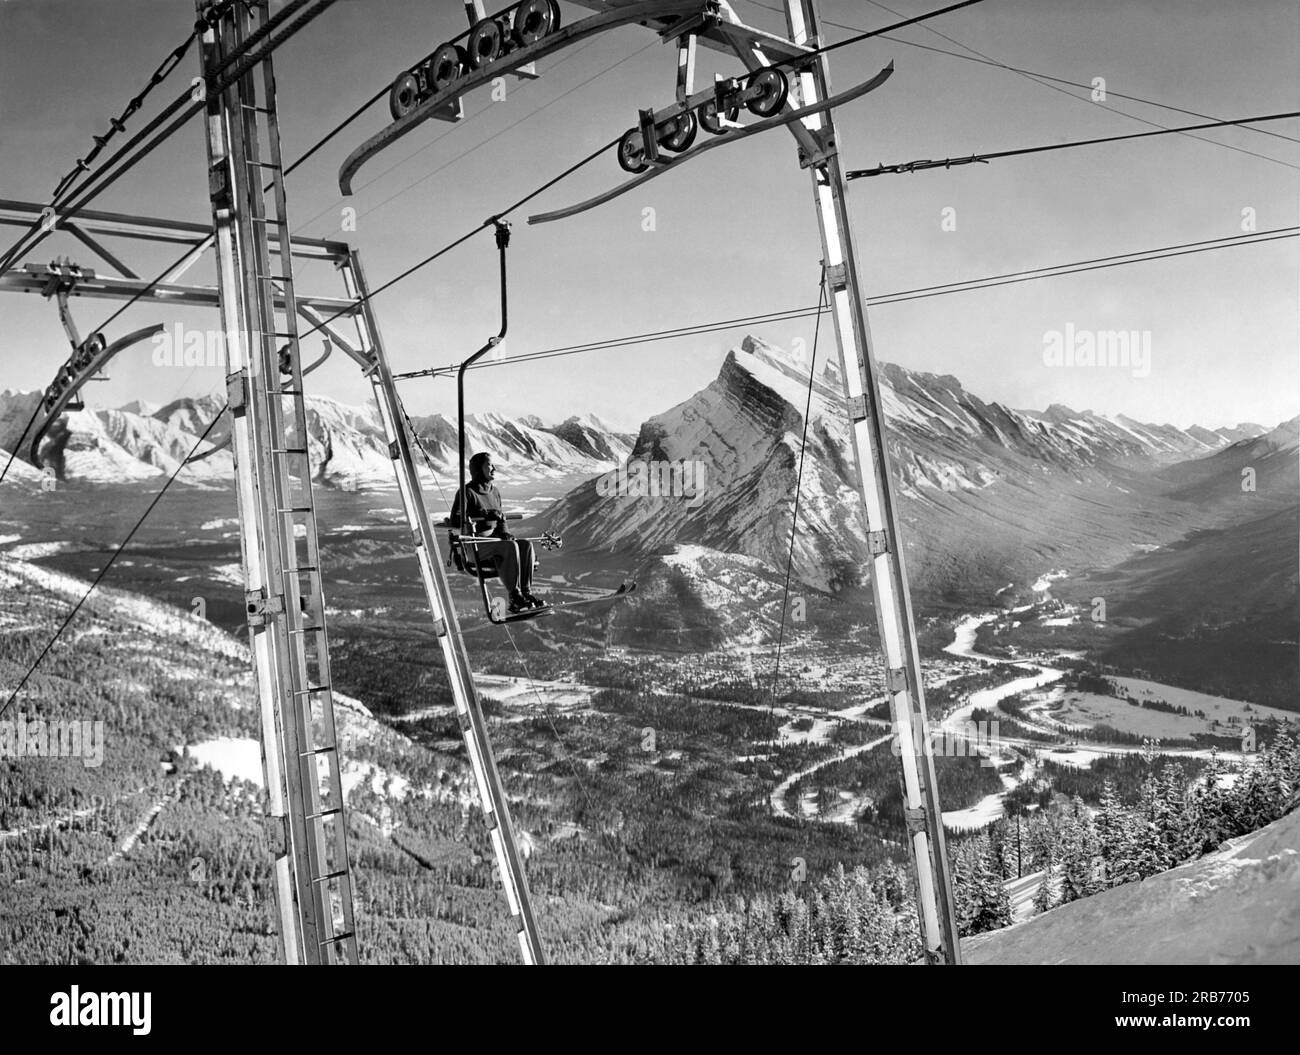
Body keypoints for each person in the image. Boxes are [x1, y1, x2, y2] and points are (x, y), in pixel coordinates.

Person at [450, 452, 544, 614]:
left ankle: (526, 593)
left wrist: (505, 533)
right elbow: (455, 519)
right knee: (509, 547)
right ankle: (514, 597)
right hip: (476, 545)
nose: (494, 469)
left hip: (494, 541)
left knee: (525, 545)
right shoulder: (467, 492)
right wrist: (486, 515)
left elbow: (500, 519)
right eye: (489, 465)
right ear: (479, 469)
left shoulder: (494, 492)